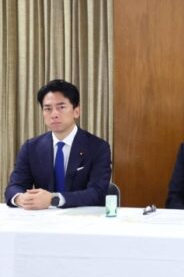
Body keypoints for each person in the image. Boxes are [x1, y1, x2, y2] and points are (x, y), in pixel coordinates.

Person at [5, 79, 112, 209]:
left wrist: (54, 199)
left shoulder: (98, 147)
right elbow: (14, 187)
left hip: (83, 220)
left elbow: (97, 193)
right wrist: (21, 198)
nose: (54, 114)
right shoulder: (30, 148)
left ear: (76, 111)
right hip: (42, 220)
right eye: (48, 109)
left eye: (61, 107)